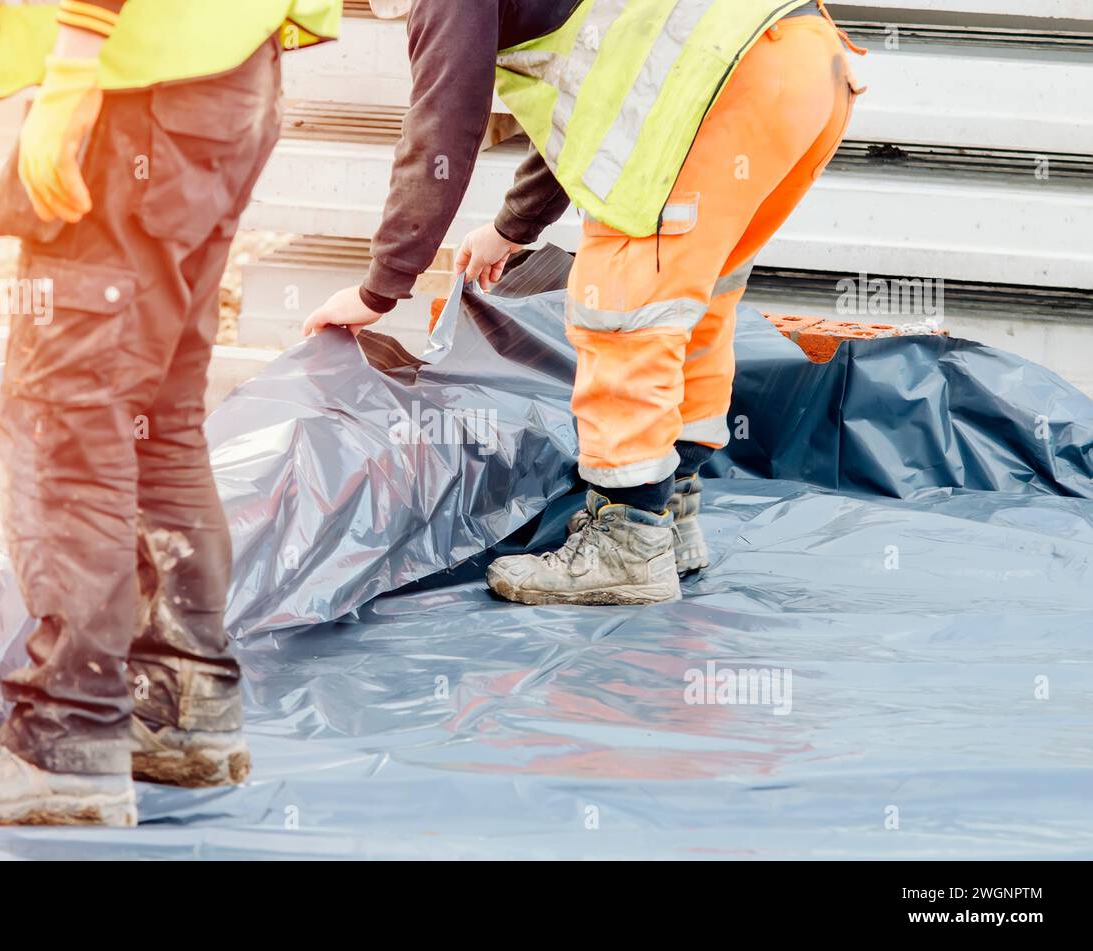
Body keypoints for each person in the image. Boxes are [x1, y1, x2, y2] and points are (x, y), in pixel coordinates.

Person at [0, 0, 341, 827]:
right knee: (158, 415)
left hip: (138, 86)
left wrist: (73, 61)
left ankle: (66, 739)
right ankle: (179, 706)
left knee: (65, 417)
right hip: (222, 76)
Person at [305, 0, 864, 606]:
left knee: (622, 306)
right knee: (692, 299)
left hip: (720, 84)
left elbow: (443, 124)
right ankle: (669, 518)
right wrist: (512, 229)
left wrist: (380, 289)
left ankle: (627, 546)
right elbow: (602, 114)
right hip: (801, 64)